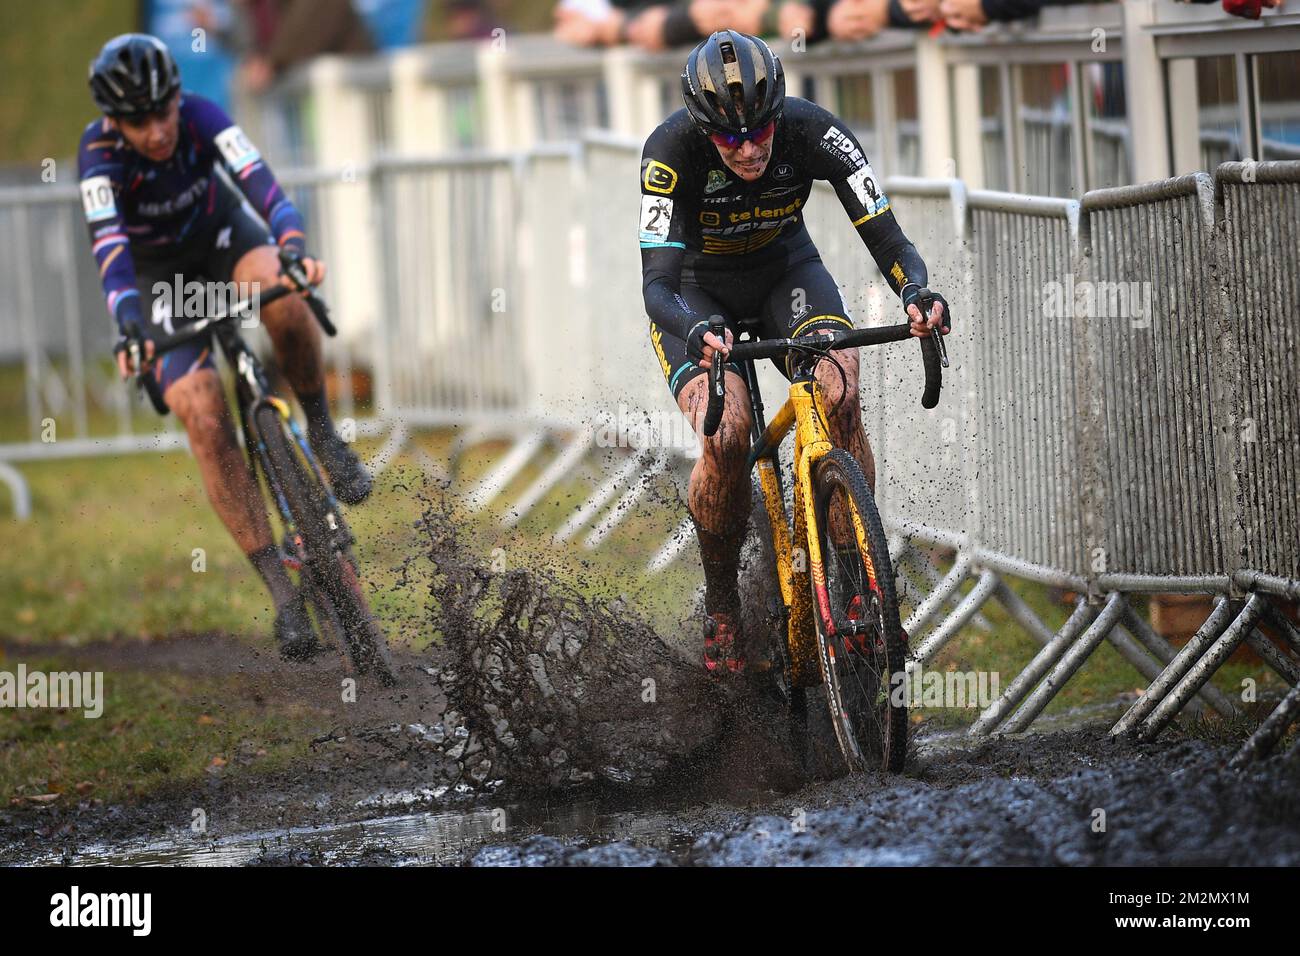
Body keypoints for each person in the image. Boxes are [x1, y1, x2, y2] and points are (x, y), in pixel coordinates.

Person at [638, 30, 950, 674]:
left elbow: (887, 237)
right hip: (697, 294)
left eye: (760, 131)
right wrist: (696, 332)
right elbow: (657, 287)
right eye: (729, 139)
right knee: (727, 438)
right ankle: (722, 605)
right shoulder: (668, 152)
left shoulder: (816, 132)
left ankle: (858, 582)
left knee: (839, 388)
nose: (748, 149)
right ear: (703, 130)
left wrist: (915, 291)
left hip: (788, 276)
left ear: (779, 111)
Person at [77, 34, 371, 659]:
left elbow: (259, 181)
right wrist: (129, 323)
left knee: (285, 297)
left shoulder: (203, 116)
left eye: (164, 112)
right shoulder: (98, 155)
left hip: (222, 241)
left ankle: (322, 435)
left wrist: (291, 240)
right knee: (205, 412)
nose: (157, 131)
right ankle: (283, 596)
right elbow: (110, 246)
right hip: (161, 280)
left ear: (178, 99)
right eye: (139, 121)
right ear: (113, 120)